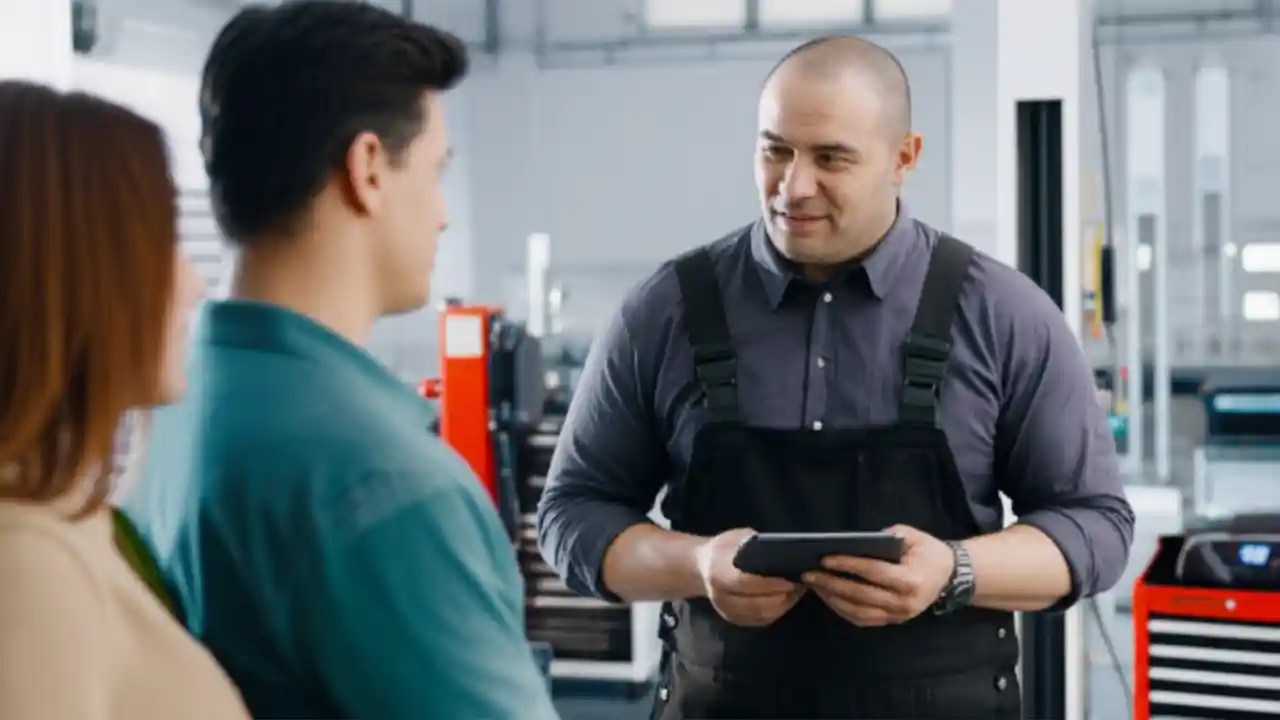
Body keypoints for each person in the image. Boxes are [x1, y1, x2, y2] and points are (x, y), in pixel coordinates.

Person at [536, 35, 1135, 719]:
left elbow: (1097, 525)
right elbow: (572, 514)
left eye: (831, 158)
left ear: (904, 158)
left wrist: (953, 571)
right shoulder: (664, 310)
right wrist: (697, 565)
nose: (793, 186)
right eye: (775, 151)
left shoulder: (1002, 313)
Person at [120, 3, 559, 719]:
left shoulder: (172, 401)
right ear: (368, 170)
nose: (443, 213)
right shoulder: (386, 484)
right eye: (435, 170)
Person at [0, 81, 245, 720]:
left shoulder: (62, 518)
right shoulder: (25, 571)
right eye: (164, 241)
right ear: (79, 271)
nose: (191, 281)